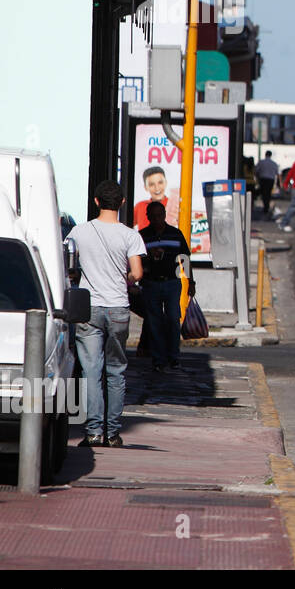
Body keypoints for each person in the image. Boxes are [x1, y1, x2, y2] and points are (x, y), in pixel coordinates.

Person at [68, 180, 146, 448]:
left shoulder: (78, 232)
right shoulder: (130, 235)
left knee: (91, 371)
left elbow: (69, 267)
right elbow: (137, 273)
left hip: (88, 308)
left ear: (97, 202)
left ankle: (93, 432)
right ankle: (113, 433)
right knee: (116, 371)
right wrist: (120, 281)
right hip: (118, 308)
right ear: (122, 203)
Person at [139, 200, 191, 373]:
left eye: (159, 216)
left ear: (164, 215)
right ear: (148, 218)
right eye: (152, 217)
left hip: (171, 283)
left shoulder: (175, 234)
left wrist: (191, 282)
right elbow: (135, 259)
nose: (156, 219)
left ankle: (173, 356)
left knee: (173, 320)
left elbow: (185, 259)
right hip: (150, 283)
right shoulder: (142, 235)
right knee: (154, 322)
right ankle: (158, 359)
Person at [255, 150, 279, 218]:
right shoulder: (274, 163)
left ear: (265, 155)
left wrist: (257, 178)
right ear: (270, 155)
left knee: (263, 193)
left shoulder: (261, 162)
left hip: (263, 179)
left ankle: (265, 206)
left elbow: (256, 170)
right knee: (268, 193)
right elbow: (277, 173)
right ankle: (267, 206)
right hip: (270, 180)